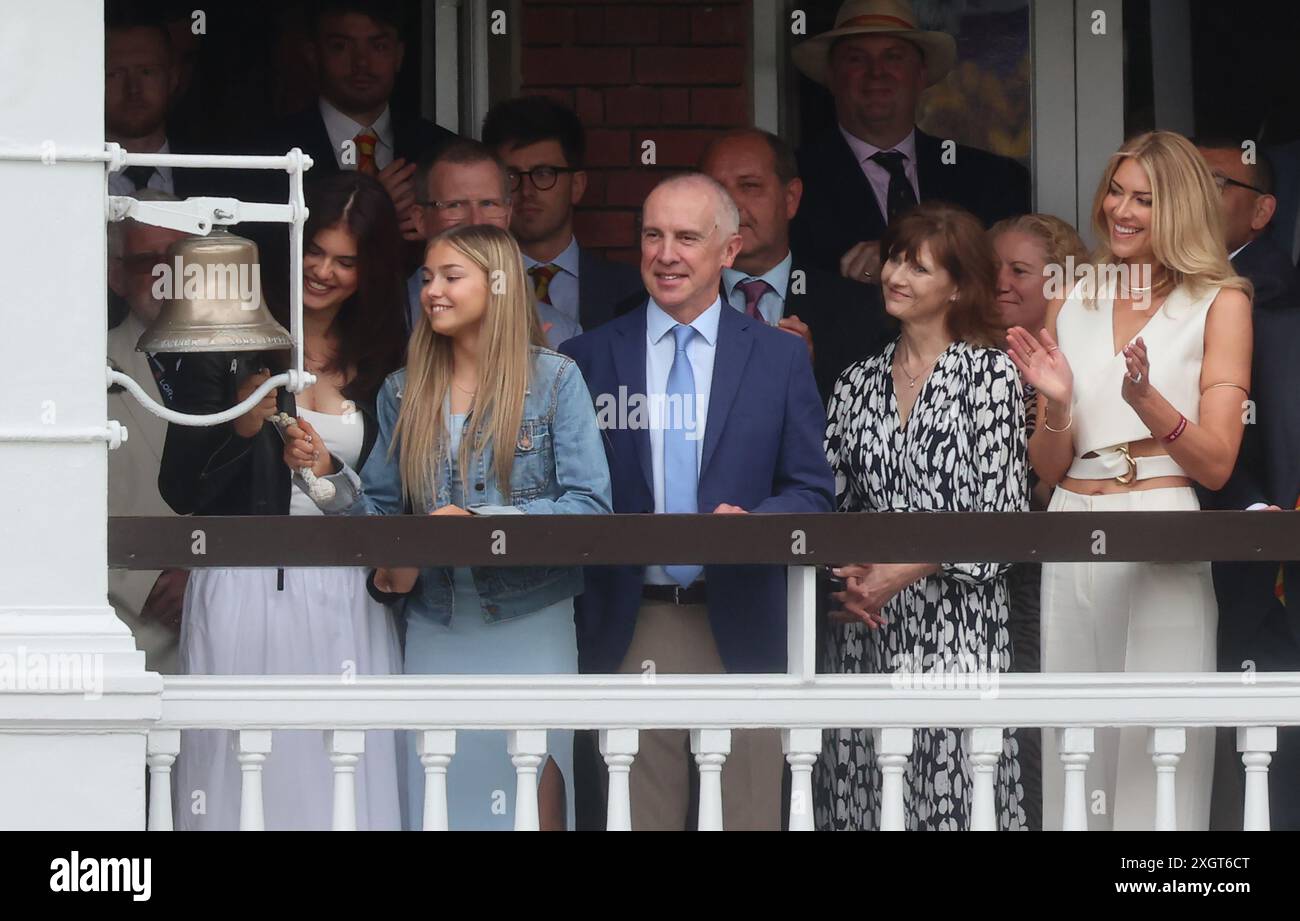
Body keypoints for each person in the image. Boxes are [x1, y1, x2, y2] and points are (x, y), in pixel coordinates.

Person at [287, 224, 613, 831]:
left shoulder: (556, 381)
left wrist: (477, 526)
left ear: (498, 285)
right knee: (442, 804)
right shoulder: (403, 391)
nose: (432, 290)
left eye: (450, 277)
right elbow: (382, 518)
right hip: (437, 630)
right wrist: (328, 476)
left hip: (531, 626)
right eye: (428, 277)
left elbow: (591, 508)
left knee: (531, 794)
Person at [560, 173, 835, 831]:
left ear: (730, 250)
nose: (666, 253)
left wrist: (756, 528)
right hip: (633, 619)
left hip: (742, 615)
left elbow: (811, 491)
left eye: (687, 237)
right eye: (652, 235)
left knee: (746, 817)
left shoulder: (778, 359)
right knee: (638, 820)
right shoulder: (587, 358)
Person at [1007, 130, 1253, 831]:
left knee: (1158, 751)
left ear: (1178, 207)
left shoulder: (1221, 300)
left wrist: (1151, 404)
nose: (1121, 208)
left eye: (1144, 197)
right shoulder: (1075, 295)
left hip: (1161, 528)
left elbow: (1216, 462)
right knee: (1073, 749)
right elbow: (1047, 467)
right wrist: (1054, 403)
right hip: (1070, 526)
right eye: (1116, 190)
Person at [160, 173, 409, 830]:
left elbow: (396, 491)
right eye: (314, 251)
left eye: (346, 259)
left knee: (337, 777)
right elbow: (179, 487)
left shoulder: (387, 356)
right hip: (245, 583)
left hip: (344, 592)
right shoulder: (230, 335)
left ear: (370, 270)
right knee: (242, 768)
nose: (323, 270)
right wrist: (241, 429)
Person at [817, 202, 1028, 831]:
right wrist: (845, 579)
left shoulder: (991, 375)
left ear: (958, 286)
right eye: (892, 260)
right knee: (864, 794)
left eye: (917, 267)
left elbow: (1001, 514)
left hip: (957, 627)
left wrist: (900, 571)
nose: (894, 276)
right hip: (867, 628)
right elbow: (834, 502)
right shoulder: (855, 382)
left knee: (955, 793)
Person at [1195, 139, 1300, 830]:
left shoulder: (1264, 290)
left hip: (1263, 554)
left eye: (1213, 181)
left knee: (1264, 751)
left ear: (1262, 209)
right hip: (1229, 544)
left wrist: (1260, 510)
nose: (1194, 194)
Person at [789, 0, 1030, 283]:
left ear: (920, 75)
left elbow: (1005, 277)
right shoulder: (792, 182)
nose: (876, 72)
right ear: (831, 75)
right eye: (856, 59)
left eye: (893, 57)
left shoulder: (993, 179)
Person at [988, 212, 1089, 831]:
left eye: (1018, 271)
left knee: (1044, 740)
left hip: (1040, 579)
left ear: (1058, 283)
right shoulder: (962, 357)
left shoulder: (1082, 363)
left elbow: (1049, 481)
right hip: (969, 591)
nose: (999, 282)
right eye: (991, 267)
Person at [701, 127, 891, 403]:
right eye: (716, 190)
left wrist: (808, 372)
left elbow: (874, 424)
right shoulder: (664, 309)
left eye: (749, 186)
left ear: (790, 198)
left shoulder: (860, 309)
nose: (730, 205)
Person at [257, 1, 456, 216]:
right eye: (340, 46)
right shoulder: (268, 155)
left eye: (378, 46)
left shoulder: (443, 150)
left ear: (399, 55)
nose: (361, 62)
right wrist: (369, 212)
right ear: (313, 55)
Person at [482, 96, 645, 349]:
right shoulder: (468, 285)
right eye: (511, 175)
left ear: (577, 185)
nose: (527, 190)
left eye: (544, 173)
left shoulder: (633, 290)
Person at [106, 190, 189, 675]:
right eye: (146, 262)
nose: (164, 275)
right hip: (130, 636)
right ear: (116, 275)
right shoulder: (78, 370)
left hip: (234, 631)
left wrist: (205, 577)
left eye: (177, 259)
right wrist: (145, 583)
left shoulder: (254, 362)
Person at [105, 4, 218, 199]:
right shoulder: (66, 174)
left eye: (147, 72)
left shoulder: (218, 171)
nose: (133, 89)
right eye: (114, 74)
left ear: (173, 77)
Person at [404, 140, 514, 331]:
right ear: (420, 220)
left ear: (508, 214)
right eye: (454, 205)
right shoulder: (381, 321)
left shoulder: (558, 330)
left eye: (488, 204)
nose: (476, 222)